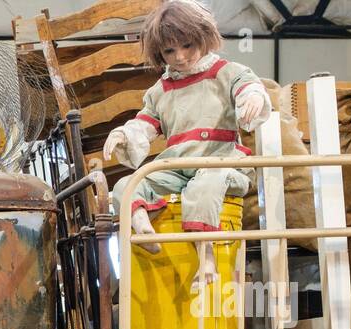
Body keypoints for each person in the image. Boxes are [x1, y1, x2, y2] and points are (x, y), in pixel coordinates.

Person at [103, 0, 269, 255]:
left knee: (204, 186)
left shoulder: (227, 72)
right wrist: (125, 133)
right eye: (169, 51)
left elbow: (247, 85)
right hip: (176, 169)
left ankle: (207, 256)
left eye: (187, 45)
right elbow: (146, 122)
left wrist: (253, 98)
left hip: (220, 162)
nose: (180, 56)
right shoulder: (161, 90)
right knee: (126, 185)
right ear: (160, 53)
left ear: (203, 37)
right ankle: (143, 228)